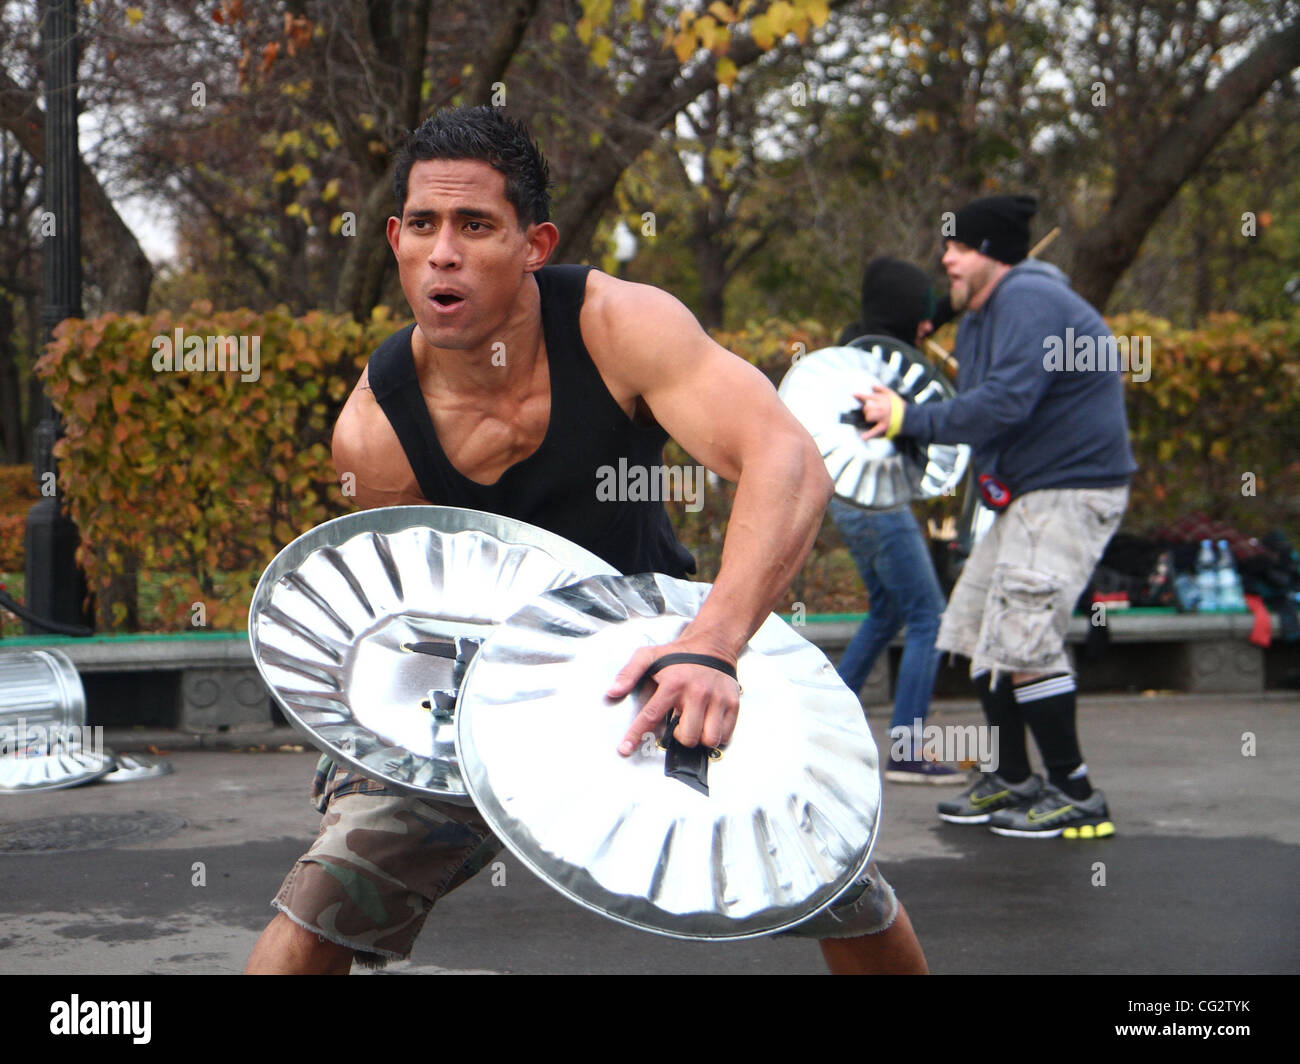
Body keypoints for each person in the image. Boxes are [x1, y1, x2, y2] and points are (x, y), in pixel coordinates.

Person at [245, 106, 928, 973]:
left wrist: (713, 645)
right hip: (467, 679)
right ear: (395, 237)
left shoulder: (618, 326)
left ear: (535, 244)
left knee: (837, 882)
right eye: (423, 225)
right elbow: (402, 613)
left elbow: (787, 457)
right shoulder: (375, 428)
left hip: (653, 656)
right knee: (322, 903)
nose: (443, 253)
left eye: (475, 226)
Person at [860, 195, 1136, 839]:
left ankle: (1077, 795)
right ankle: (1014, 776)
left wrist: (908, 419)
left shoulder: (1031, 301)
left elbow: (1005, 404)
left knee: (1026, 636)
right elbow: (987, 409)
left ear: (993, 253)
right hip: (1028, 494)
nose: (946, 259)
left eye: (958, 247)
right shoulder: (985, 314)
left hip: (1071, 491)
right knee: (976, 627)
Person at [832, 257, 960, 784]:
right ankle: (908, 749)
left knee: (887, 612)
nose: (929, 327)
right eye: (922, 317)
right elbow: (913, 430)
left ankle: (829, 723)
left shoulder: (855, 348)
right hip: (878, 505)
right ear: (903, 315)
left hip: (848, 502)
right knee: (930, 615)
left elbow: (920, 319)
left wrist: (953, 299)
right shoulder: (881, 372)